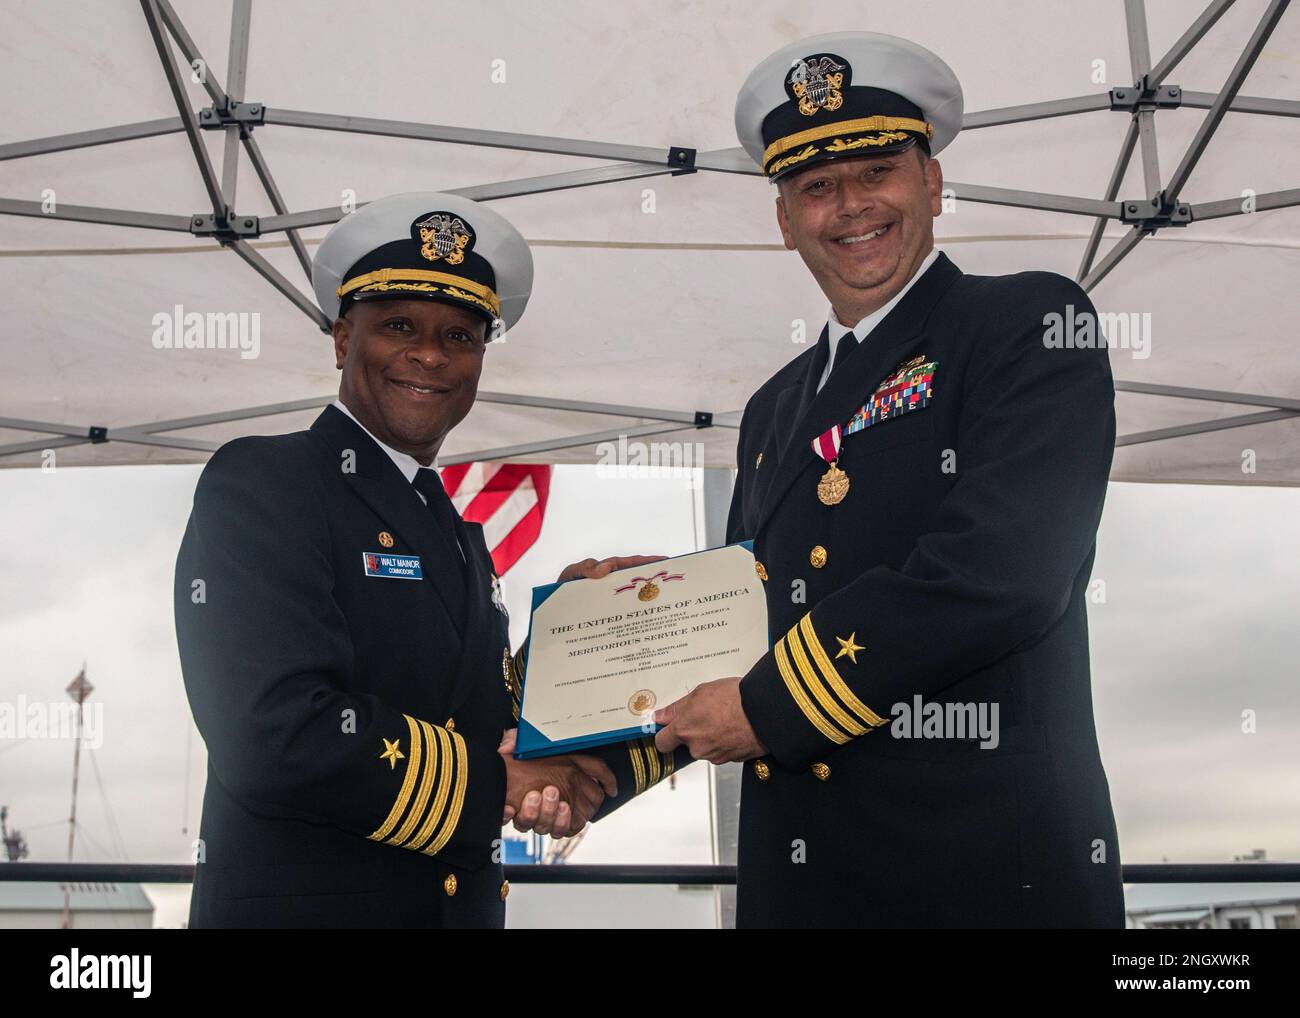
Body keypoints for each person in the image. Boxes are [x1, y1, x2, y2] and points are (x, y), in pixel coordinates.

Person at [652, 32, 1124, 928]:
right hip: (807, 886)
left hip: (983, 881)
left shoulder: (1026, 323)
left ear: (933, 184)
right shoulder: (773, 407)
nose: (851, 206)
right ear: (785, 220)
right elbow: (748, 614)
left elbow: (1002, 575)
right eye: (817, 187)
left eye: (877, 171)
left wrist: (769, 704)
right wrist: (647, 615)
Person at [174, 192, 659, 928]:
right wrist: (499, 782)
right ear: (342, 340)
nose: (430, 354)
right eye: (399, 325)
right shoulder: (266, 481)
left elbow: (473, 716)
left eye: (460, 336)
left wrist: (576, 636)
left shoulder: (456, 533)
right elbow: (273, 731)